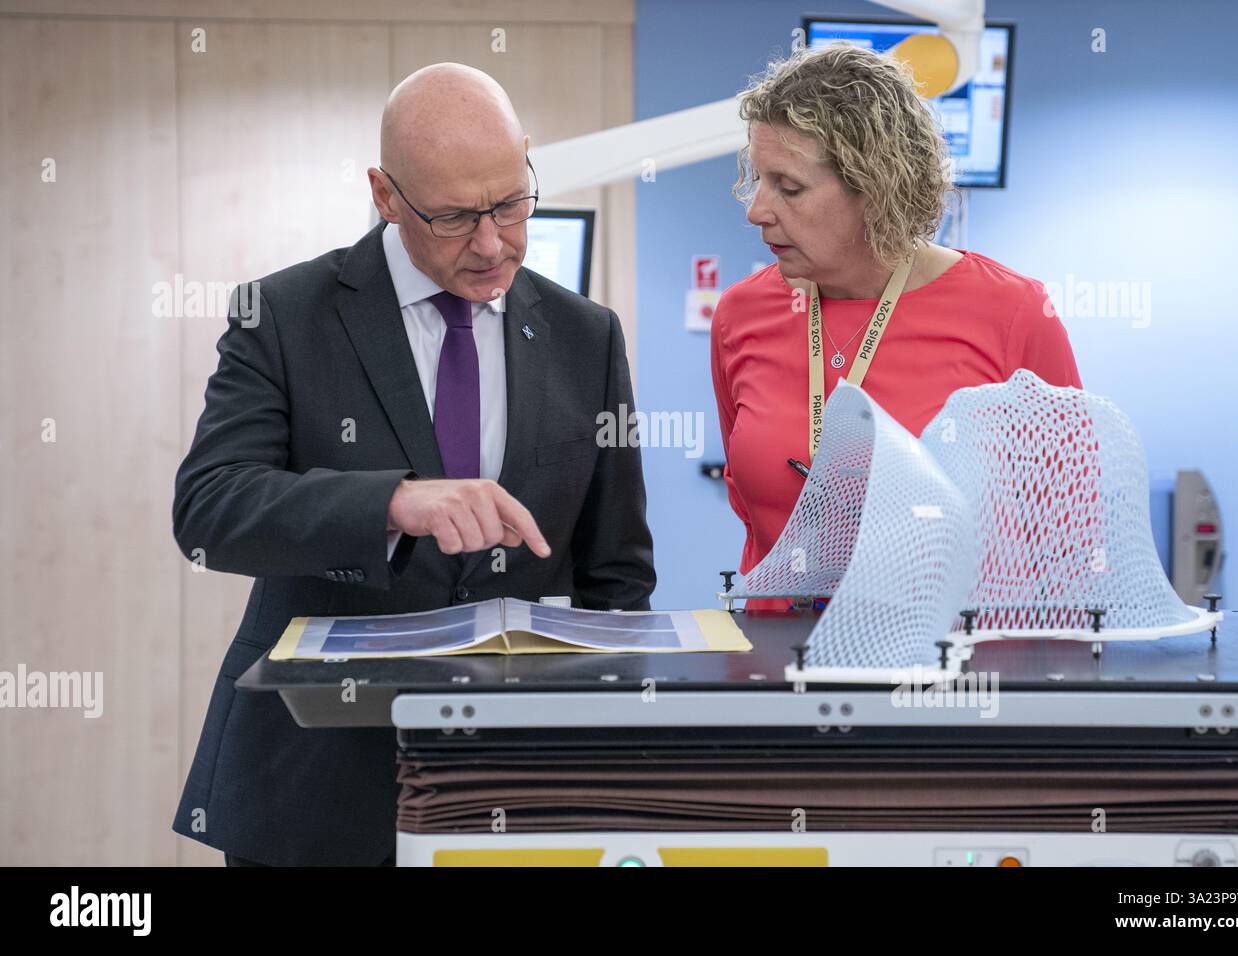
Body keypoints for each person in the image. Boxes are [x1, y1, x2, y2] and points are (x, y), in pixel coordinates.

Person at [172, 63, 655, 866]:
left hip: (516, 787)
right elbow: (210, 509)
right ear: (387, 196)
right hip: (315, 786)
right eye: (455, 217)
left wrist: (603, 766)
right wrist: (391, 504)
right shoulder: (285, 315)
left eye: (509, 203)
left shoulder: (586, 336)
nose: (493, 242)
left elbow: (618, 578)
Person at [711, 43, 1081, 612]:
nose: (756, 210)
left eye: (788, 186)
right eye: (757, 179)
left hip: (954, 671)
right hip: (779, 667)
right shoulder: (742, 314)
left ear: (877, 188)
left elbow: (1065, 528)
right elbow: (751, 507)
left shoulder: (1014, 312)